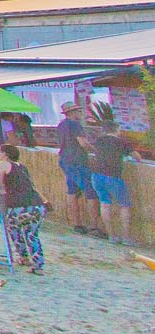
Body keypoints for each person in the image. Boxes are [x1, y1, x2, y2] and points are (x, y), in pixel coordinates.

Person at [0, 145, 47, 273]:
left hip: (18, 206)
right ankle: (38, 265)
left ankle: (23, 257)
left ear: (5, 154)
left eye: (0, 152)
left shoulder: (3, 164)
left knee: (15, 231)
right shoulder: (22, 167)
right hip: (36, 204)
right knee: (32, 235)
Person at [54, 101, 100, 237]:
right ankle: (94, 226)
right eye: (78, 111)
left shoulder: (61, 125)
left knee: (72, 192)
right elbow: (83, 143)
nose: (80, 113)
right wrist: (96, 150)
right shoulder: (75, 124)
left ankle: (77, 223)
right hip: (77, 161)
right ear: (73, 112)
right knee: (91, 192)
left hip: (65, 160)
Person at [88, 123, 133, 245]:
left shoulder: (98, 141)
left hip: (96, 176)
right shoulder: (121, 142)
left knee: (105, 204)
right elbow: (136, 156)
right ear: (117, 130)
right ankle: (126, 238)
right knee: (124, 205)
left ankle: (112, 236)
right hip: (112, 176)